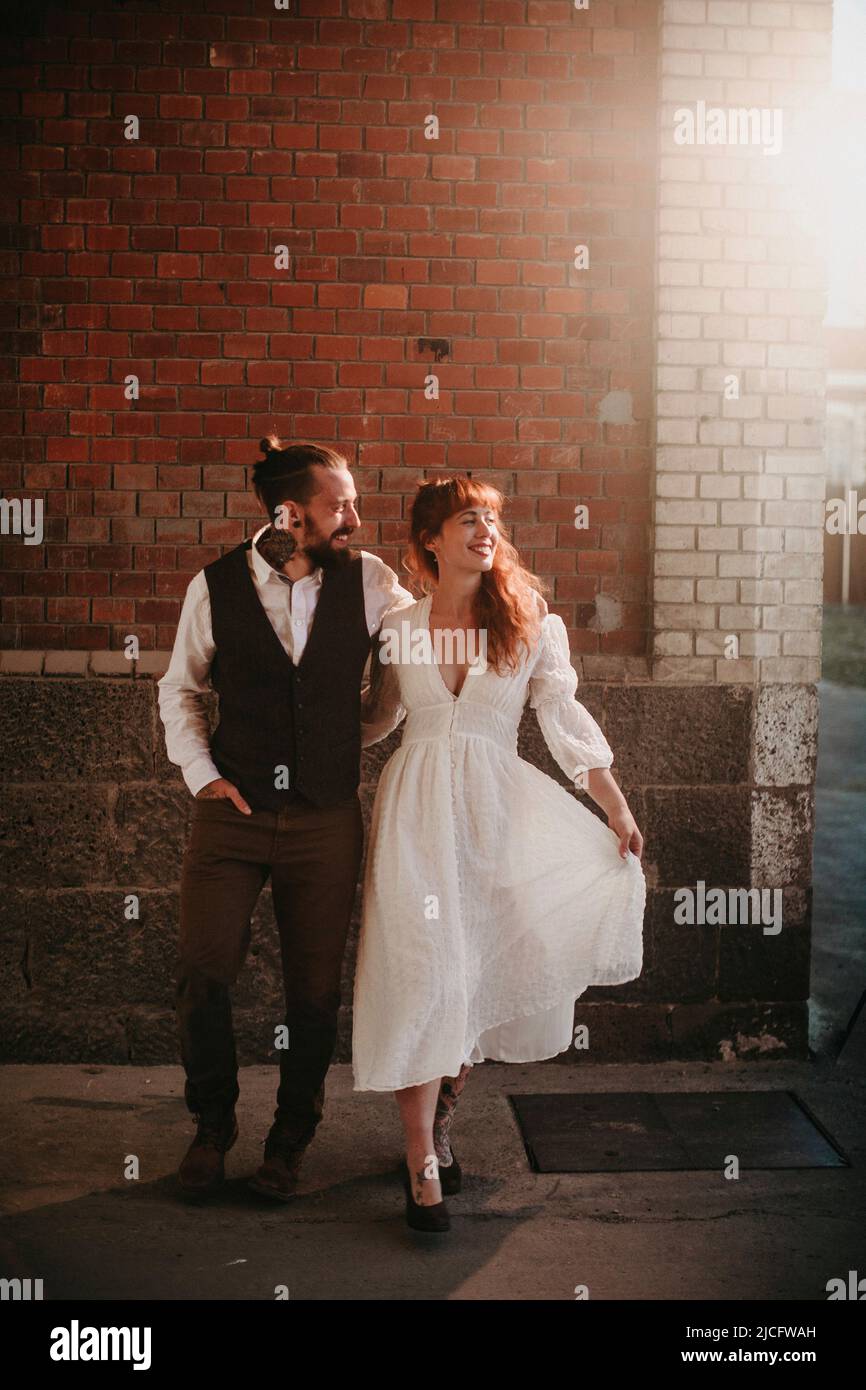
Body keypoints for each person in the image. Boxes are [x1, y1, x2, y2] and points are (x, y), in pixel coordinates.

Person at [353, 476, 646, 1232]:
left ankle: (440, 1120)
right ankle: (419, 1158)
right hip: (414, 812)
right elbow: (381, 717)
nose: (485, 529)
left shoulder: (528, 622)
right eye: (466, 519)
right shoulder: (401, 626)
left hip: (494, 814)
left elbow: (559, 717)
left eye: (490, 518)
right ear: (429, 540)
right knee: (420, 971)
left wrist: (612, 807)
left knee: (475, 971)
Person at [158, 439, 412, 1200]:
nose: (355, 519)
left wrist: (346, 741)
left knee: (314, 991)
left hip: (325, 819)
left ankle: (291, 1138)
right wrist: (202, 777)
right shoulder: (215, 588)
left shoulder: (371, 583)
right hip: (231, 818)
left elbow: (408, 670)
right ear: (289, 512)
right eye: (341, 505)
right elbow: (179, 689)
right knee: (203, 971)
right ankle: (211, 1124)